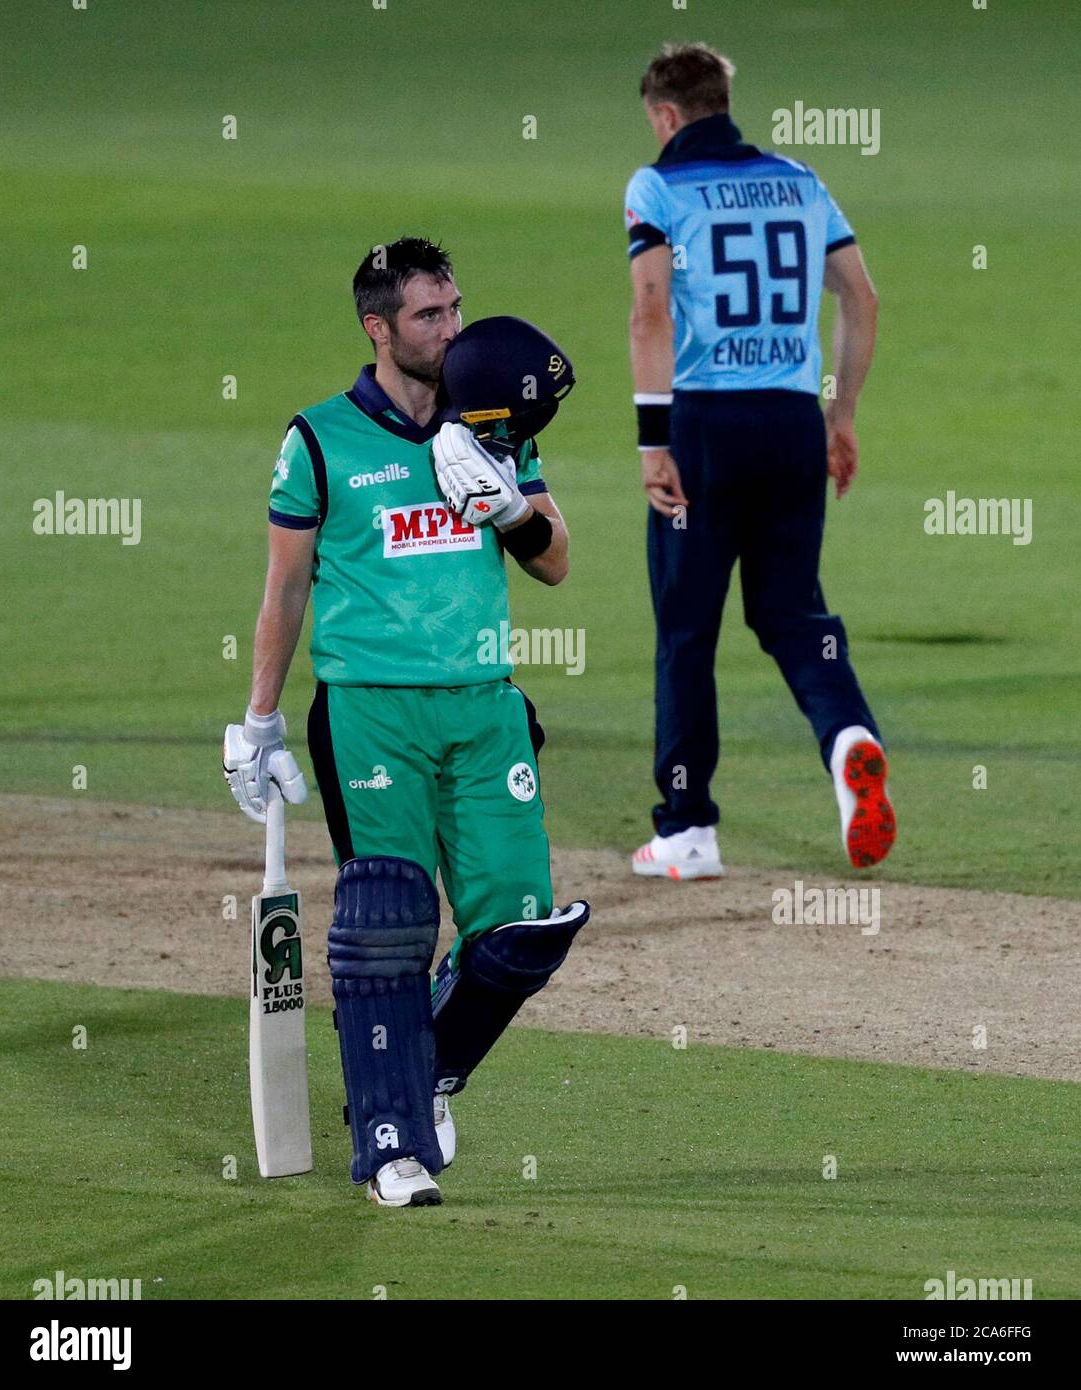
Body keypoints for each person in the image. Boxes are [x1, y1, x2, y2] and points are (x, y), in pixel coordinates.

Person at [224, 238, 589, 1206]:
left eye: (456, 307)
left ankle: (425, 1068)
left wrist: (509, 509)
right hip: (371, 714)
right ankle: (389, 1143)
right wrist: (258, 720)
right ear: (378, 328)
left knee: (522, 927)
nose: (452, 329)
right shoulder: (318, 440)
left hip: (485, 708)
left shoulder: (495, 421)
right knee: (387, 928)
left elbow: (554, 561)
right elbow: (285, 588)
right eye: (430, 314)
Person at [625, 42, 896, 880]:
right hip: (789, 422)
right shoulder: (800, 181)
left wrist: (652, 442)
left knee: (686, 630)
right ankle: (848, 739)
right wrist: (839, 416)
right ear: (723, 101)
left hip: (704, 427)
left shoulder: (658, 186)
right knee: (791, 614)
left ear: (665, 115)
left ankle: (687, 830)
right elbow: (860, 297)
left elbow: (649, 313)